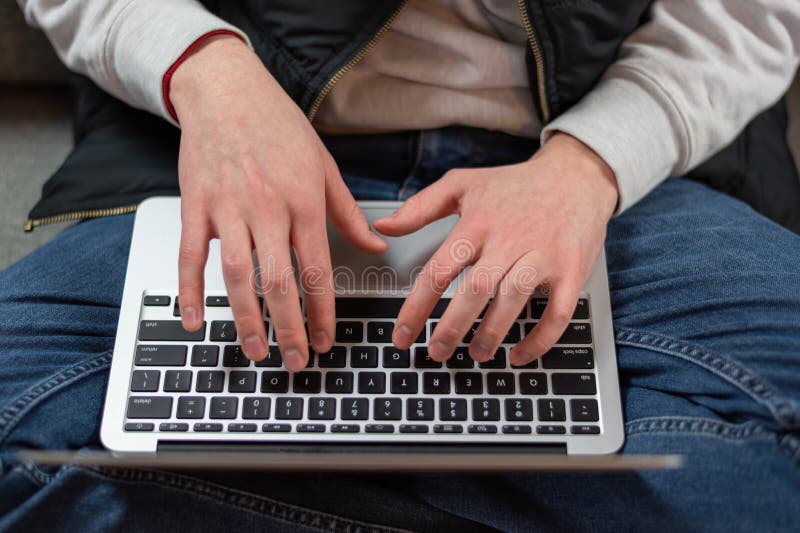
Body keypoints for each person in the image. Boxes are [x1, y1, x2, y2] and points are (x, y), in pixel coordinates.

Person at [1, 0, 799, 530]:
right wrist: (208, 75)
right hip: (228, 143)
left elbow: (749, 16)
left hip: (600, 166)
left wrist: (590, 166)